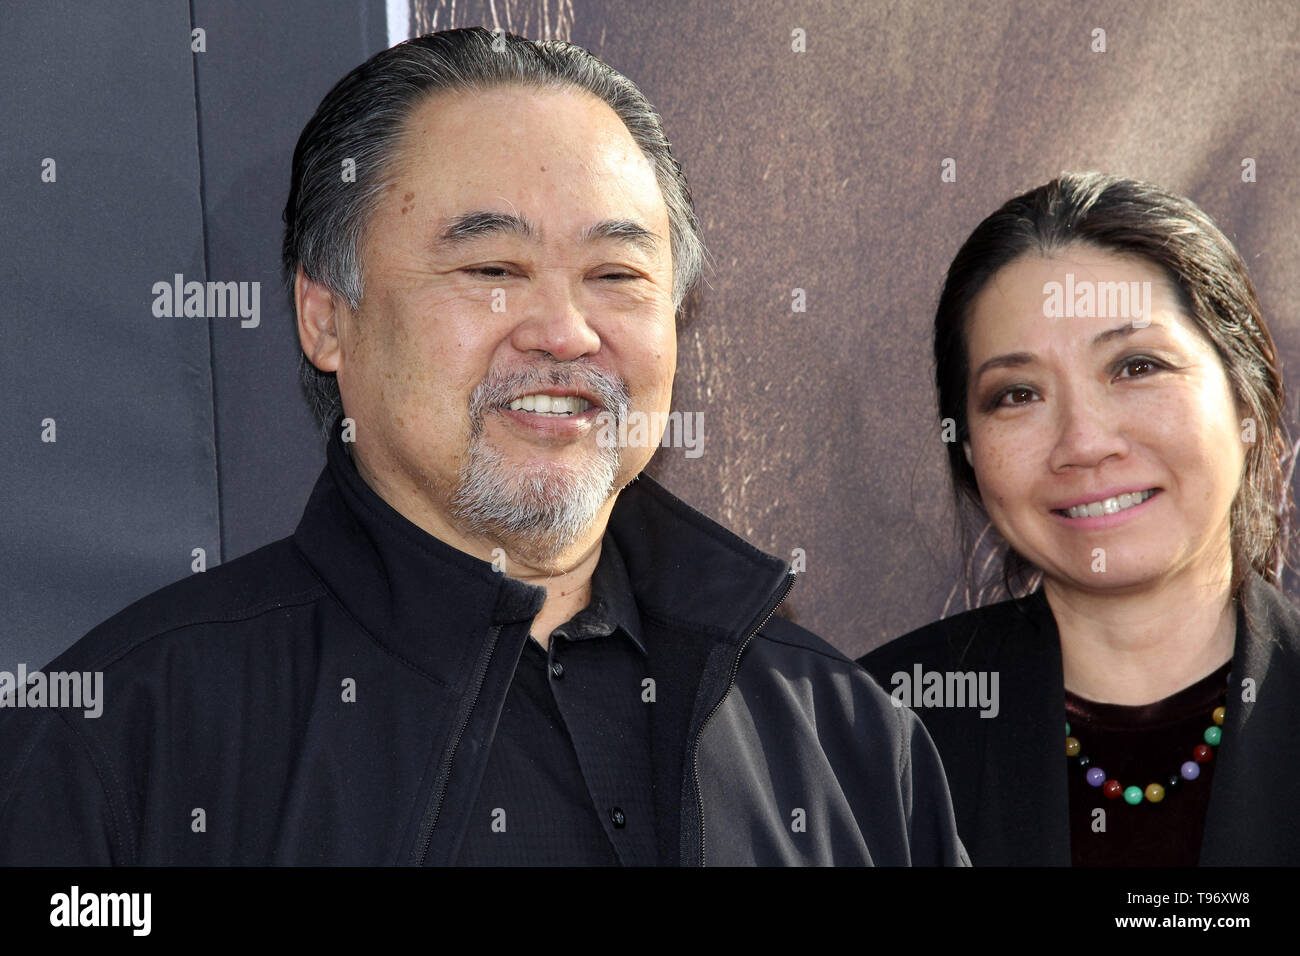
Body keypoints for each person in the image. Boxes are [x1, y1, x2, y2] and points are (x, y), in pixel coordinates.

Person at [0, 28, 966, 866]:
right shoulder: (122, 740)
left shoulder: (843, 736)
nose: (566, 332)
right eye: (493, 267)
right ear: (325, 316)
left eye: (617, 273)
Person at [859, 171, 1300, 865]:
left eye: (1137, 365)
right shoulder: (863, 735)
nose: (1086, 443)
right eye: (1019, 394)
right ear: (969, 450)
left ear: (1245, 403)